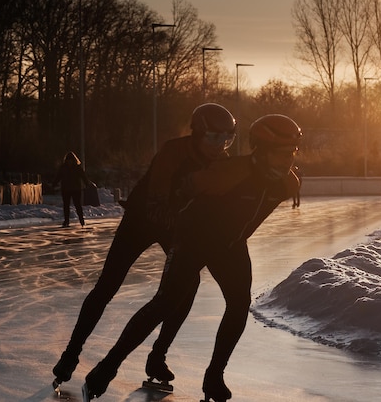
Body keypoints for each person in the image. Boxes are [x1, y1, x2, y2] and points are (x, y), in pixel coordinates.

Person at [82, 114, 303, 401]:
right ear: (260, 149)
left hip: (230, 246)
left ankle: (214, 377)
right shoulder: (227, 172)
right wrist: (176, 224)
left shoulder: (288, 184)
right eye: (281, 153)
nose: (288, 159)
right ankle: (105, 369)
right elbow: (181, 190)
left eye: (292, 152)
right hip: (194, 240)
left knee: (239, 304)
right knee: (165, 303)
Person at [51, 103, 238, 392]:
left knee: (188, 284)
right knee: (108, 285)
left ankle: (157, 356)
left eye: (228, 138)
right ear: (198, 132)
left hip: (173, 224)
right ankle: (71, 354)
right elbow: (159, 200)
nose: (221, 145)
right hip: (142, 218)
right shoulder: (173, 152)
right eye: (214, 137)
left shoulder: (220, 161)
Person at [55, 151, 95, 227]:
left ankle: (81, 220)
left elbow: (83, 176)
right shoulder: (63, 168)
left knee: (77, 205)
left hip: (75, 189)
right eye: (68, 160)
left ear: (73, 160)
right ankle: (66, 221)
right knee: (66, 206)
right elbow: (58, 177)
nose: (69, 162)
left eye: (70, 160)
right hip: (66, 189)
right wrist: (54, 184)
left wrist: (87, 183)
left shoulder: (77, 168)